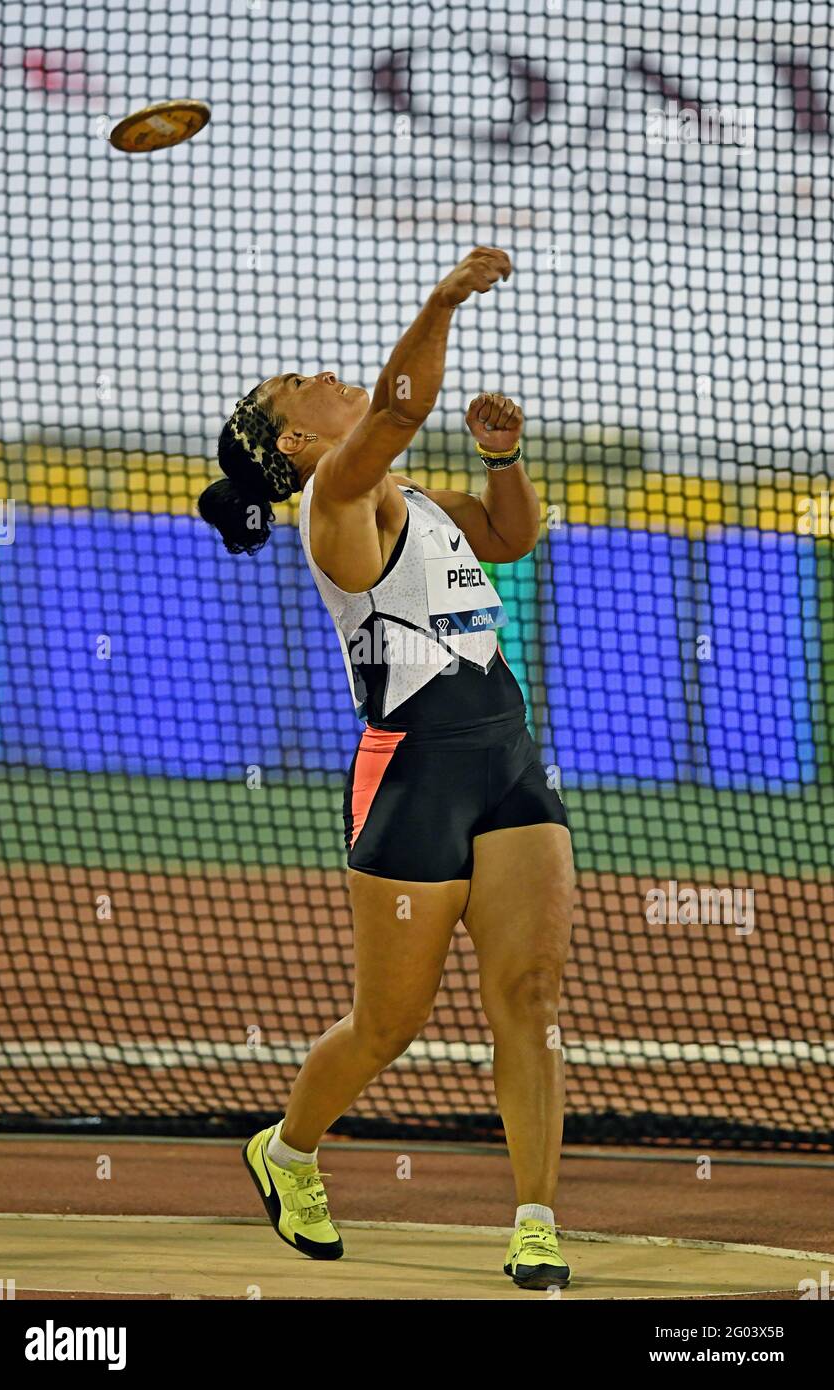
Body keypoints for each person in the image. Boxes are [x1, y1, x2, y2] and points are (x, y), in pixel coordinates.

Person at [199, 248, 575, 1290]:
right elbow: (401, 408)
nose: (323, 372)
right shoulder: (336, 499)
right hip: (412, 772)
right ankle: (285, 1153)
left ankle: (535, 1221)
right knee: (388, 1026)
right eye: (300, 384)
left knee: (530, 994)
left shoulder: (405, 486)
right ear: (294, 438)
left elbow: (508, 534)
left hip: (506, 758)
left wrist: (503, 457)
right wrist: (443, 299)